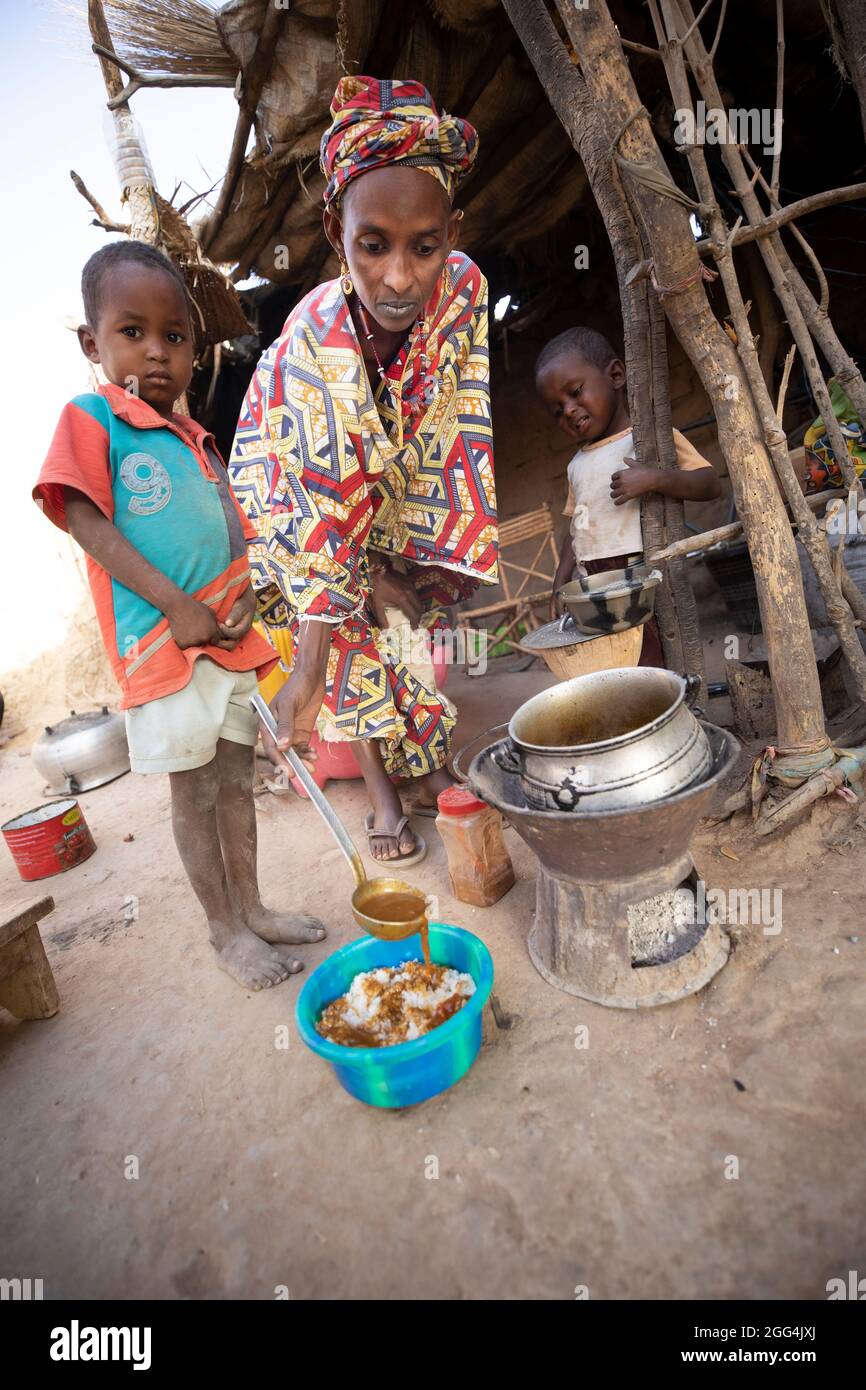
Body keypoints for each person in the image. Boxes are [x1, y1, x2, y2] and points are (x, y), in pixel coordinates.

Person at [33, 241, 326, 991]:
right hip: (164, 651)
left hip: (226, 646)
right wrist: (176, 605)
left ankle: (253, 907)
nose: (157, 353)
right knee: (193, 794)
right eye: (133, 332)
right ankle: (223, 930)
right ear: (91, 343)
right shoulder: (93, 417)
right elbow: (82, 519)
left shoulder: (196, 437)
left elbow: (229, 530)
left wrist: (251, 595)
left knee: (235, 783)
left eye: (176, 336)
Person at [230, 75, 499, 864]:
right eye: (371, 244)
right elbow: (323, 519)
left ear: (454, 228)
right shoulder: (314, 336)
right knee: (341, 632)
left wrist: (405, 553)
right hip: (291, 485)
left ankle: (423, 770)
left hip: (379, 484)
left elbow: (448, 419)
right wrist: (302, 684)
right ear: (333, 230)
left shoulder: (463, 293)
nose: (399, 278)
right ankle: (384, 799)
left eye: (425, 245)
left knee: (404, 620)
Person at [536, 326, 721, 665]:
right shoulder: (576, 465)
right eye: (558, 410)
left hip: (638, 571)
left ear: (616, 375)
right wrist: (560, 578)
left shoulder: (649, 440)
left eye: (576, 392)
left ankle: (663, 711)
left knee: (647, 654)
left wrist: (655, 479)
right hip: (590, 578)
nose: (570, 411)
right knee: (609, 660)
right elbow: (576, 525)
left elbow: (710, 484)